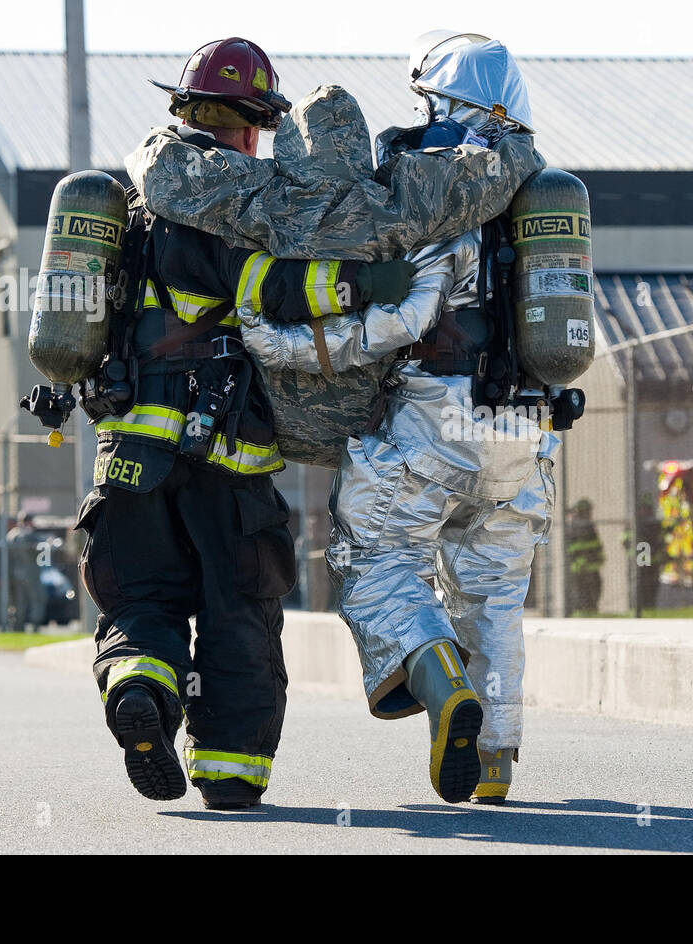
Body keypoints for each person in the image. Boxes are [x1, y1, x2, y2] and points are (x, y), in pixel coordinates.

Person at [77, 37, 415, 810]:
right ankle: (230, 772)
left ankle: (141, 692)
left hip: (126, 455)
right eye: (257, 128)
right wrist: (365, 282)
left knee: (141, 602)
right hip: (222, 455)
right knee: (241, 611)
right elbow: (265, 287)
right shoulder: (211, 203)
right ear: (247, 124)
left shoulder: (127, 210)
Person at [241, 33, 558, 805]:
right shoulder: (542, 193)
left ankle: (443, 684)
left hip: (431, 415)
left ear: (437, 97)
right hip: (525, 428)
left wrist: (285, 343)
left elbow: (405, 319)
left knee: (376, 566)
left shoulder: (435, 187)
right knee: (494, 596)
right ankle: (494, 762)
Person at [6, 511, 45, 631]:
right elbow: (39, 549)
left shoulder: (11, 535)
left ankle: (18, 626)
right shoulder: (28, 534)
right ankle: (35, 625)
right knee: (36, 598)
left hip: (16, 572)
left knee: (19, 601)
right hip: (30, 572)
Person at [566, 499, 604, 614]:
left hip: (592, 567)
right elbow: (573, 548)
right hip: (579, 568)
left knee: (594, 592)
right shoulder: (574, 527)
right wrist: (582, 561)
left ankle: (592, 613)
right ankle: (580, 615)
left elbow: (596, 545)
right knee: (581, 594)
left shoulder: (589, 526)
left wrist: (599, 558)